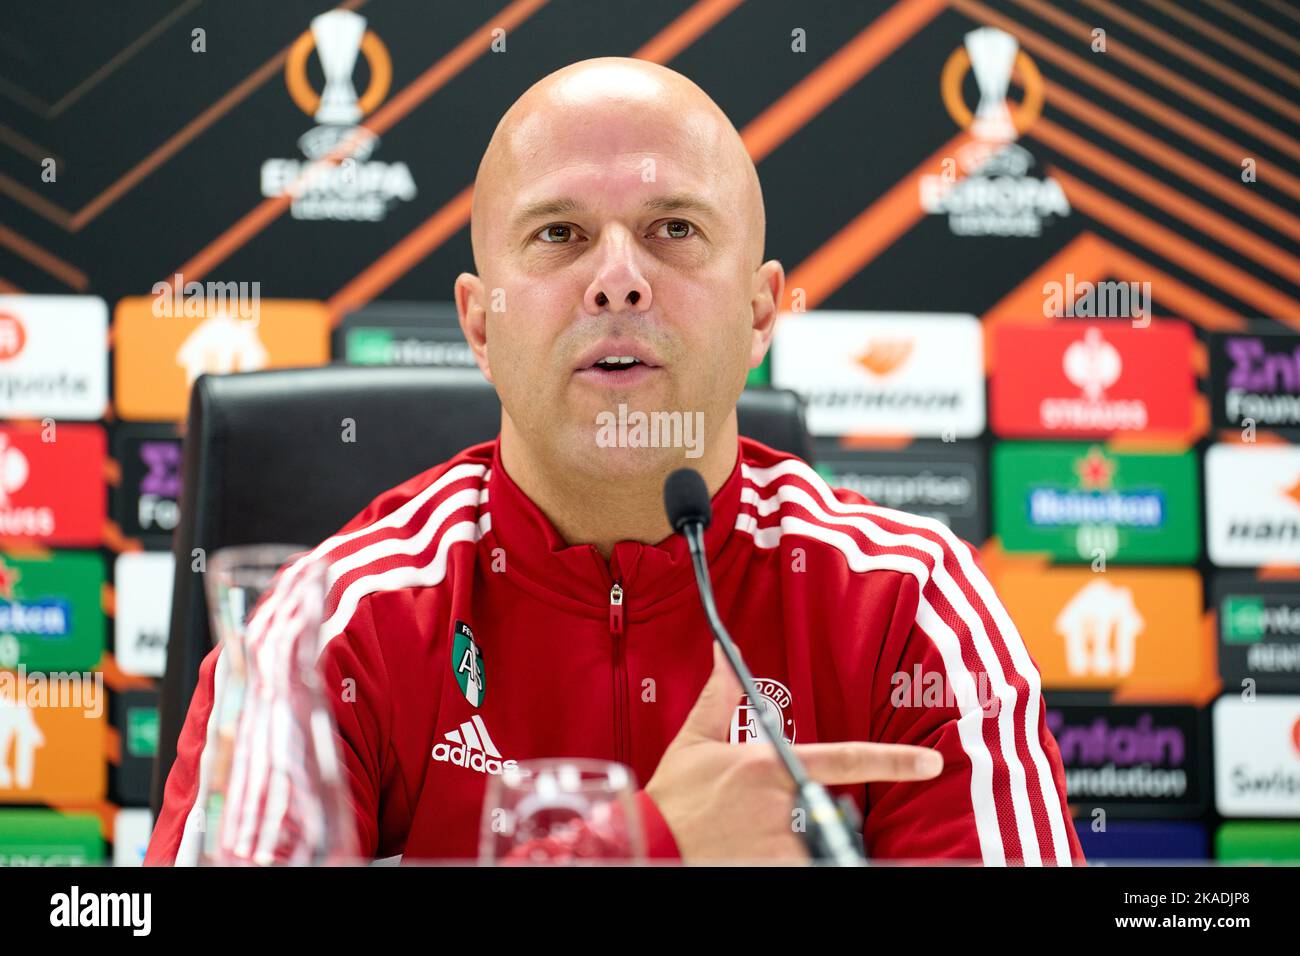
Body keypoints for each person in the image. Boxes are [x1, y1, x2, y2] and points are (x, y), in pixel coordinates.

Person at [146, 57, 1083, 865]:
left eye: (675, 228)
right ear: (479, 324)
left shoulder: (908, 608)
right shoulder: (324, 636)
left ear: (761, 315)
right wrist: (641, 847)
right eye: (560, 234)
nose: (619, 277)